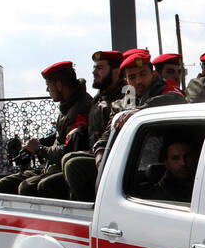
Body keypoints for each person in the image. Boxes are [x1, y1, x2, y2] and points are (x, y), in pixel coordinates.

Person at [63, 50, 185, 202]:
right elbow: (107, 133)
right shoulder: (124, 102)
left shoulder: (164, 90)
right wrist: (100, 155)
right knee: (73, 164)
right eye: (132, 77)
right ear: (126, 80)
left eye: (143, 74)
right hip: (127, 164)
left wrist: (139, 112)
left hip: (157, 166)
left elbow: (176, 99)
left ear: (152, 74)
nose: (138, 81)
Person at [0, 61, 92, 196]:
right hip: (53, 167)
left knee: (27, 187)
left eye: (48, 85)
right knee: (4, 184)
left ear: (59, 84)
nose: (47, 90)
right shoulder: (68, 105)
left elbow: (69, 151)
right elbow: (59, 136)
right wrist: (34, 145)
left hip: (65, 169)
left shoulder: (80, 109)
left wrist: (40, 149)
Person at [147, 136, 197, 203]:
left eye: (187, 156)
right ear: (166, 164)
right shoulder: (158, 196)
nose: (183, 163)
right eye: (175, 158)